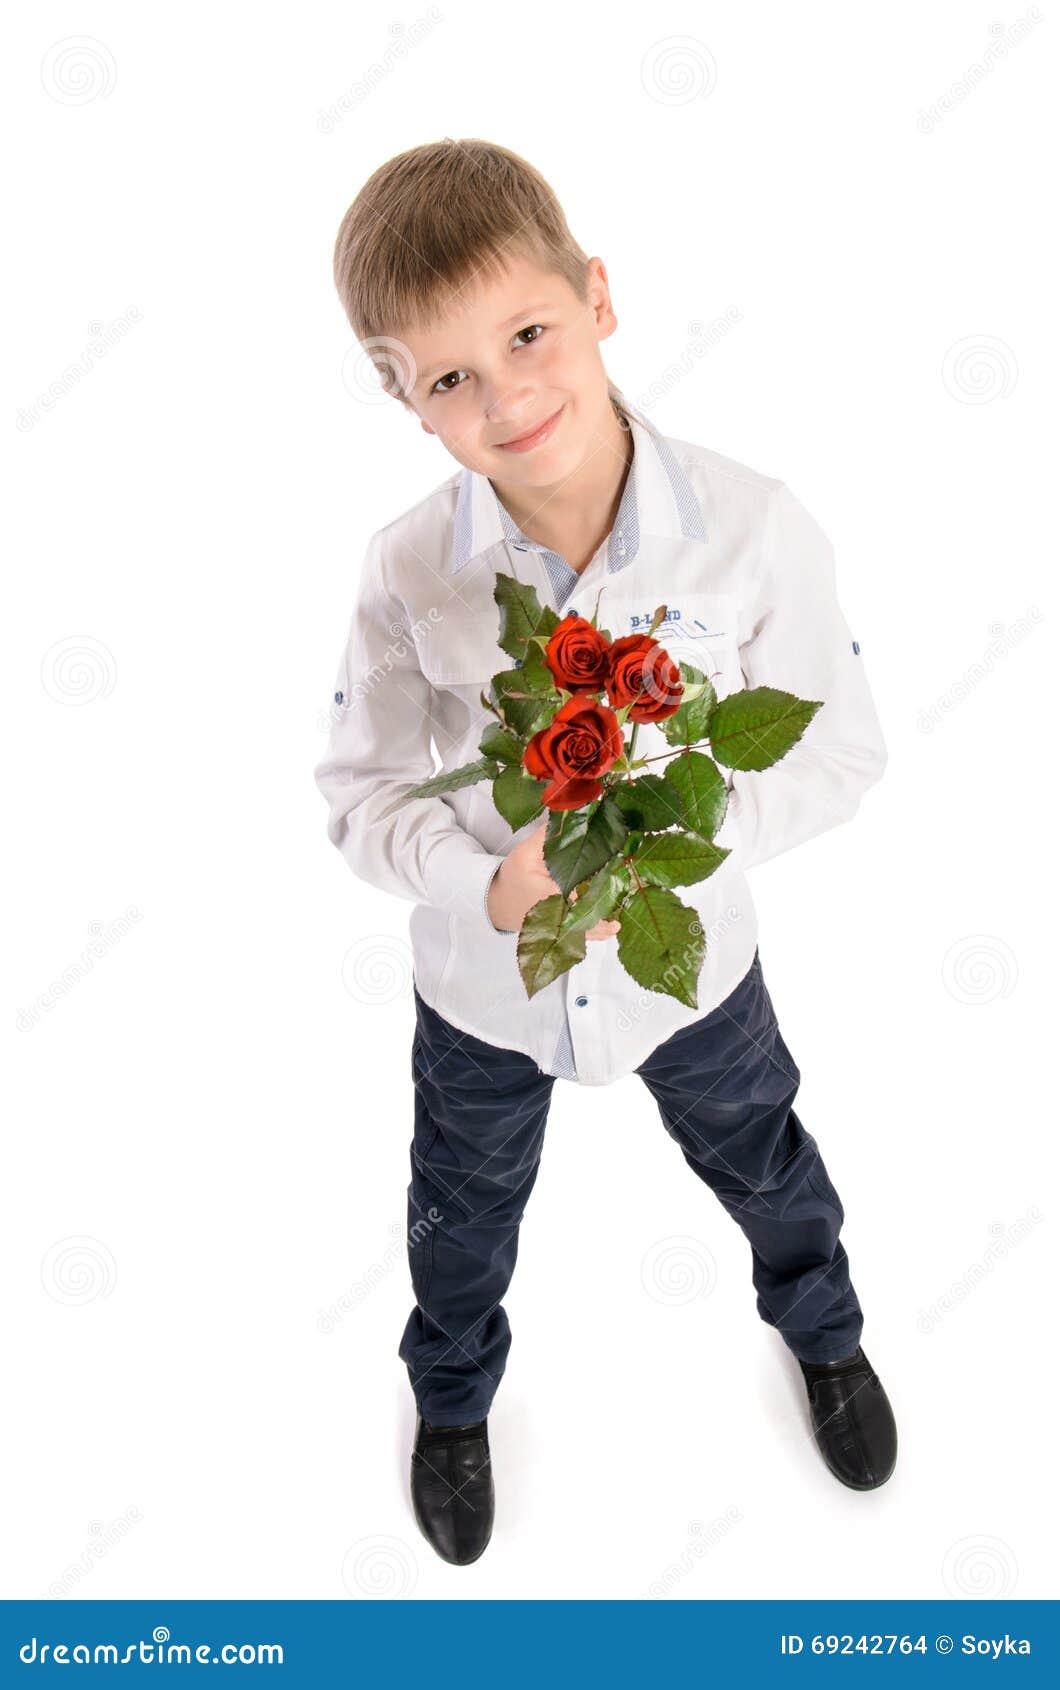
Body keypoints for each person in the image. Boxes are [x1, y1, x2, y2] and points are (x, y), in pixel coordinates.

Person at [315, 138, 897, 1566]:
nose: (507, 396)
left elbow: (841, 750)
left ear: (597, 297)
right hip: (484, 988)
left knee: (765, 1157)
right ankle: (451, 1401)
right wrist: (481, 879)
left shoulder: (752, 529)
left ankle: (824, 1333)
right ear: (401, 396)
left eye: (528, 335)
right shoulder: (409, 574)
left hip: (691, 975)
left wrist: (707, 830)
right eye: (448, 376)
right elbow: (358, 794)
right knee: (457, 1215)